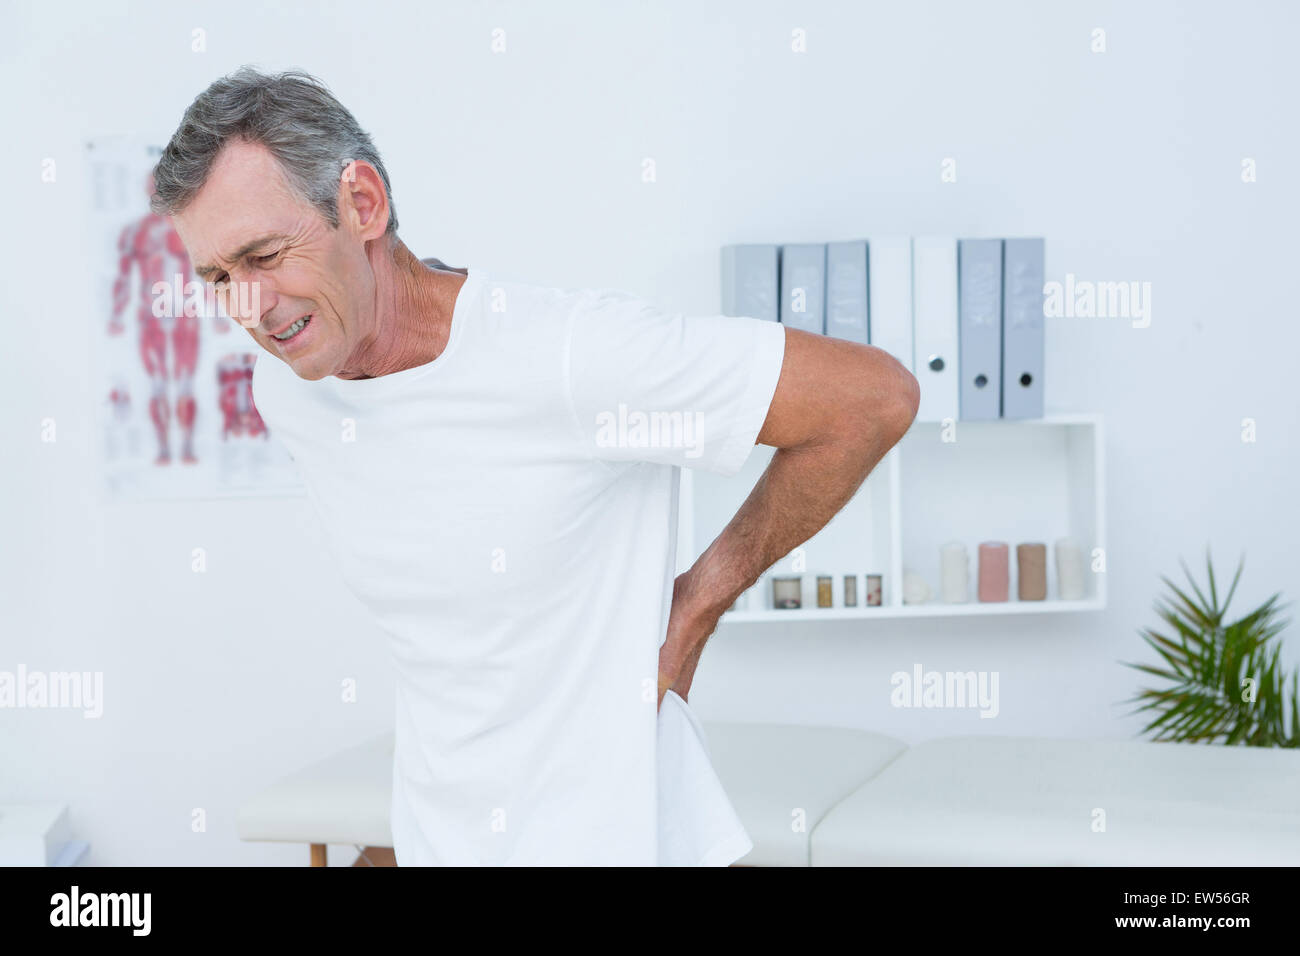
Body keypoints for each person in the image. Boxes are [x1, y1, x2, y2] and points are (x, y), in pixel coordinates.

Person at [151, 67, 919, 866]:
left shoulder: (568, 357)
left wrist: (695, 605)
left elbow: (871, 401)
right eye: (218, 278)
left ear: (363, 204)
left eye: (264, 255)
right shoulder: (289, 390)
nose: (249, 306)